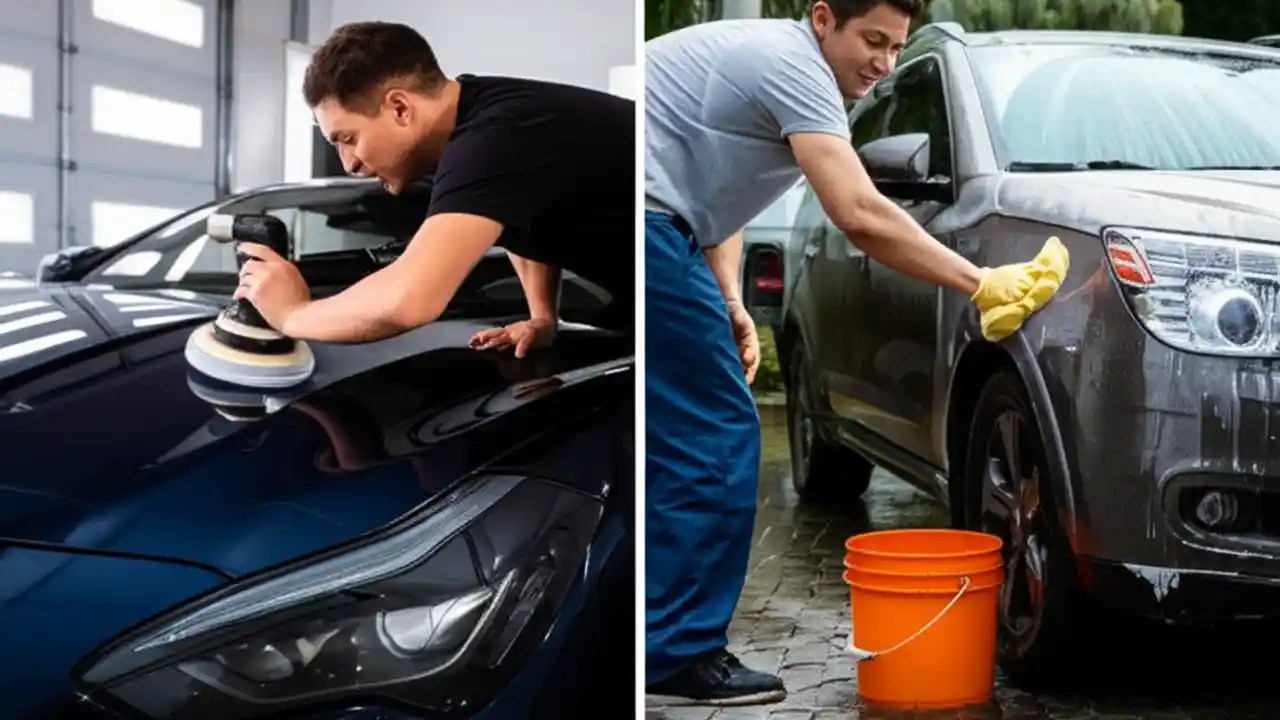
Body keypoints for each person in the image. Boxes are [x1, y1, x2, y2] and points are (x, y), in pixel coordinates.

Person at [644, 0, 1067, 706]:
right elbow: (860, 212)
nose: (884, 62)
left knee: (680, 438)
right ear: (822, 19)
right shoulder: (794, 67)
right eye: (873, 40)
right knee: (712, 437)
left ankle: (656, 632)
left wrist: (728, 300)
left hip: (663, 225)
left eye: (897, 48)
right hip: (650, 229)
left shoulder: (775, 62)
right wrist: (980, 280)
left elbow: (714, 192)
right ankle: (675, 652)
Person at [233, 21, 634, 355]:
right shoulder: (484, 123)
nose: (348, 163)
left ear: (400, 108)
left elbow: (408, 301)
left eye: (348, 138)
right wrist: (543, 317)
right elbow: (518, 215)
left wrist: (291, 315)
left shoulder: (494, 138)